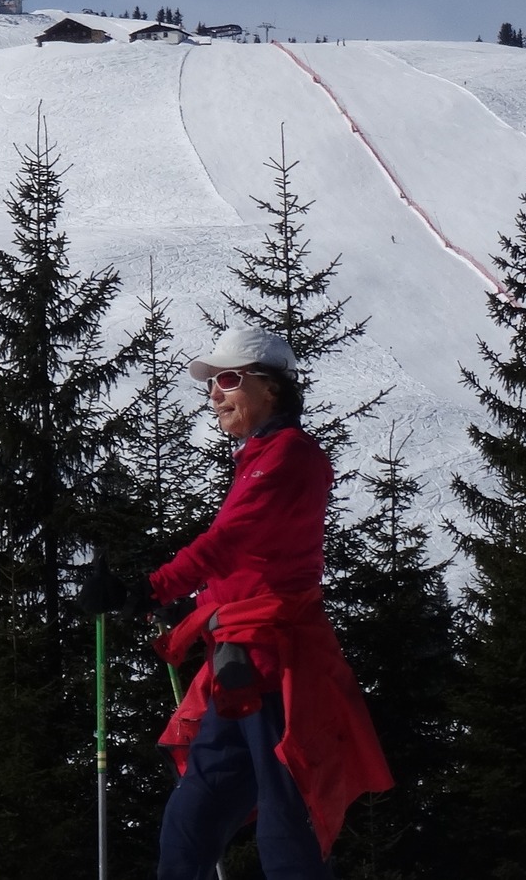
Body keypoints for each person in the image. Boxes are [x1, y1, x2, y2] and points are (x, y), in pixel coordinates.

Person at [147, 325, 391, 880]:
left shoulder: (289, 456)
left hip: (278, 666)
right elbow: (249, 567)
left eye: (228, 378)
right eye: (212, 381)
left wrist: (153, 586)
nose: (214, 392)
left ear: (270, 388)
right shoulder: (262, 456)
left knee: (287, 825)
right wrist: (189, 608)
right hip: (238, 665)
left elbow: (230, 540)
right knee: (190, 822)